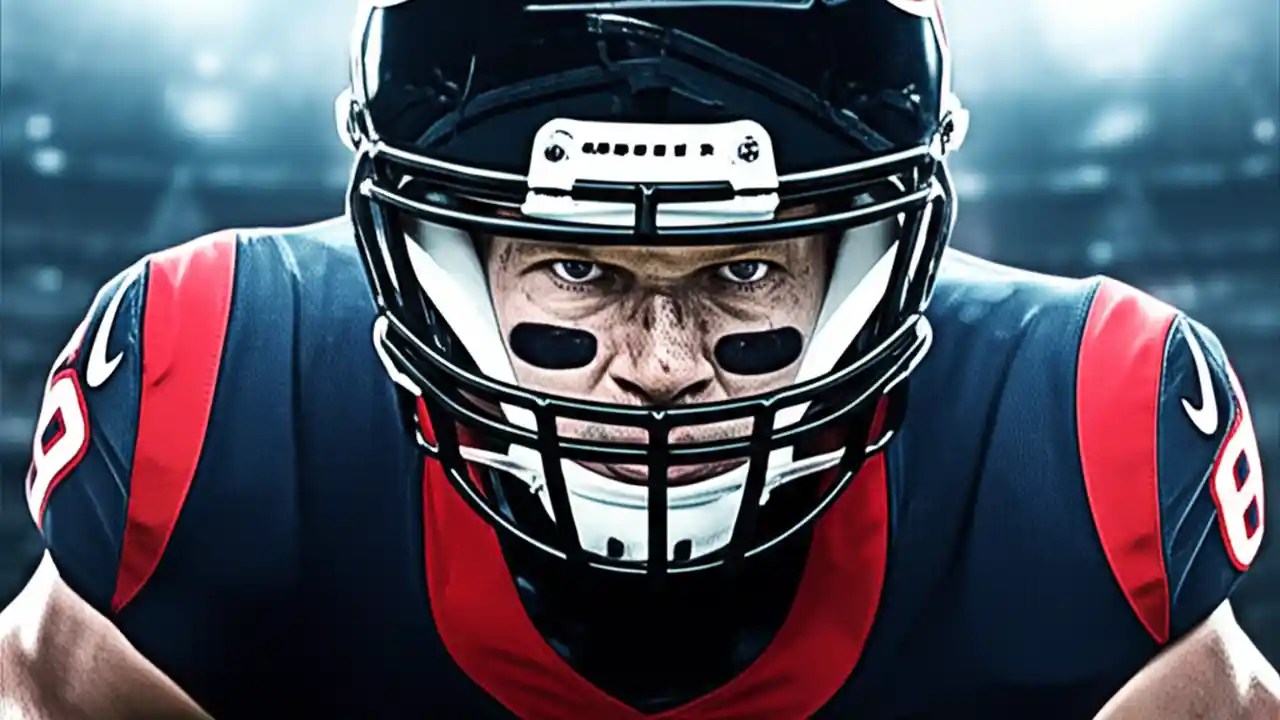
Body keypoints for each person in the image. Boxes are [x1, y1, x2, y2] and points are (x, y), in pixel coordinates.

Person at [1, 1, 1276, 718]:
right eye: (577, 271)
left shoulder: (1074, 432)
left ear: (871, 261)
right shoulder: (227, 385)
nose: (660, 369)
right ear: (437, 262)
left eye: (742, 270)